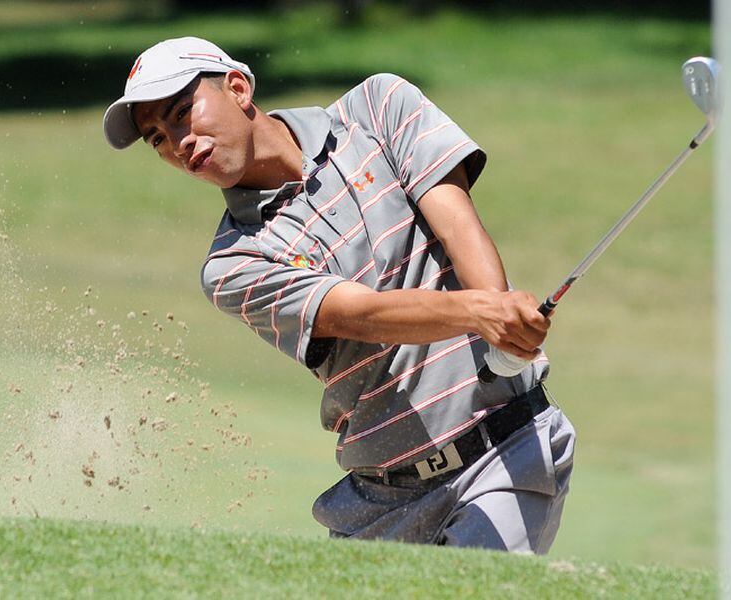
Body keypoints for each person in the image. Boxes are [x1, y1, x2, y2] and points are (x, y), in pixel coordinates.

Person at [103, 37, 575, 553]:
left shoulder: (378, 107)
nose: (178, 143)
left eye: (181, 113)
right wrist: (482, 311)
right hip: (379, 503)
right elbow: (362, 315)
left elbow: (460, 227)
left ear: (237, 88)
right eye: (157, 137)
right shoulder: (232, 265)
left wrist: (500, 318)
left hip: (504, 454)